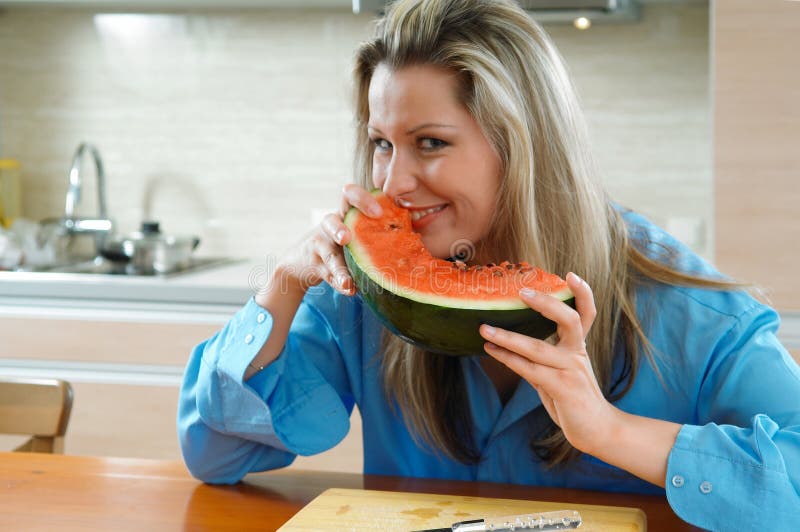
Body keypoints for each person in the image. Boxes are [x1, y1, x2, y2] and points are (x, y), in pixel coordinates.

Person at [177, 0, 800, 529]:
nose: (394, 182)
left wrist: (611, 431)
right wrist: (281, 289)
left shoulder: (689, 314)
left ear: (523, 146)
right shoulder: (361, 295)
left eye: (431, 143)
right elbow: (216, 456)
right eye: (381, 144)